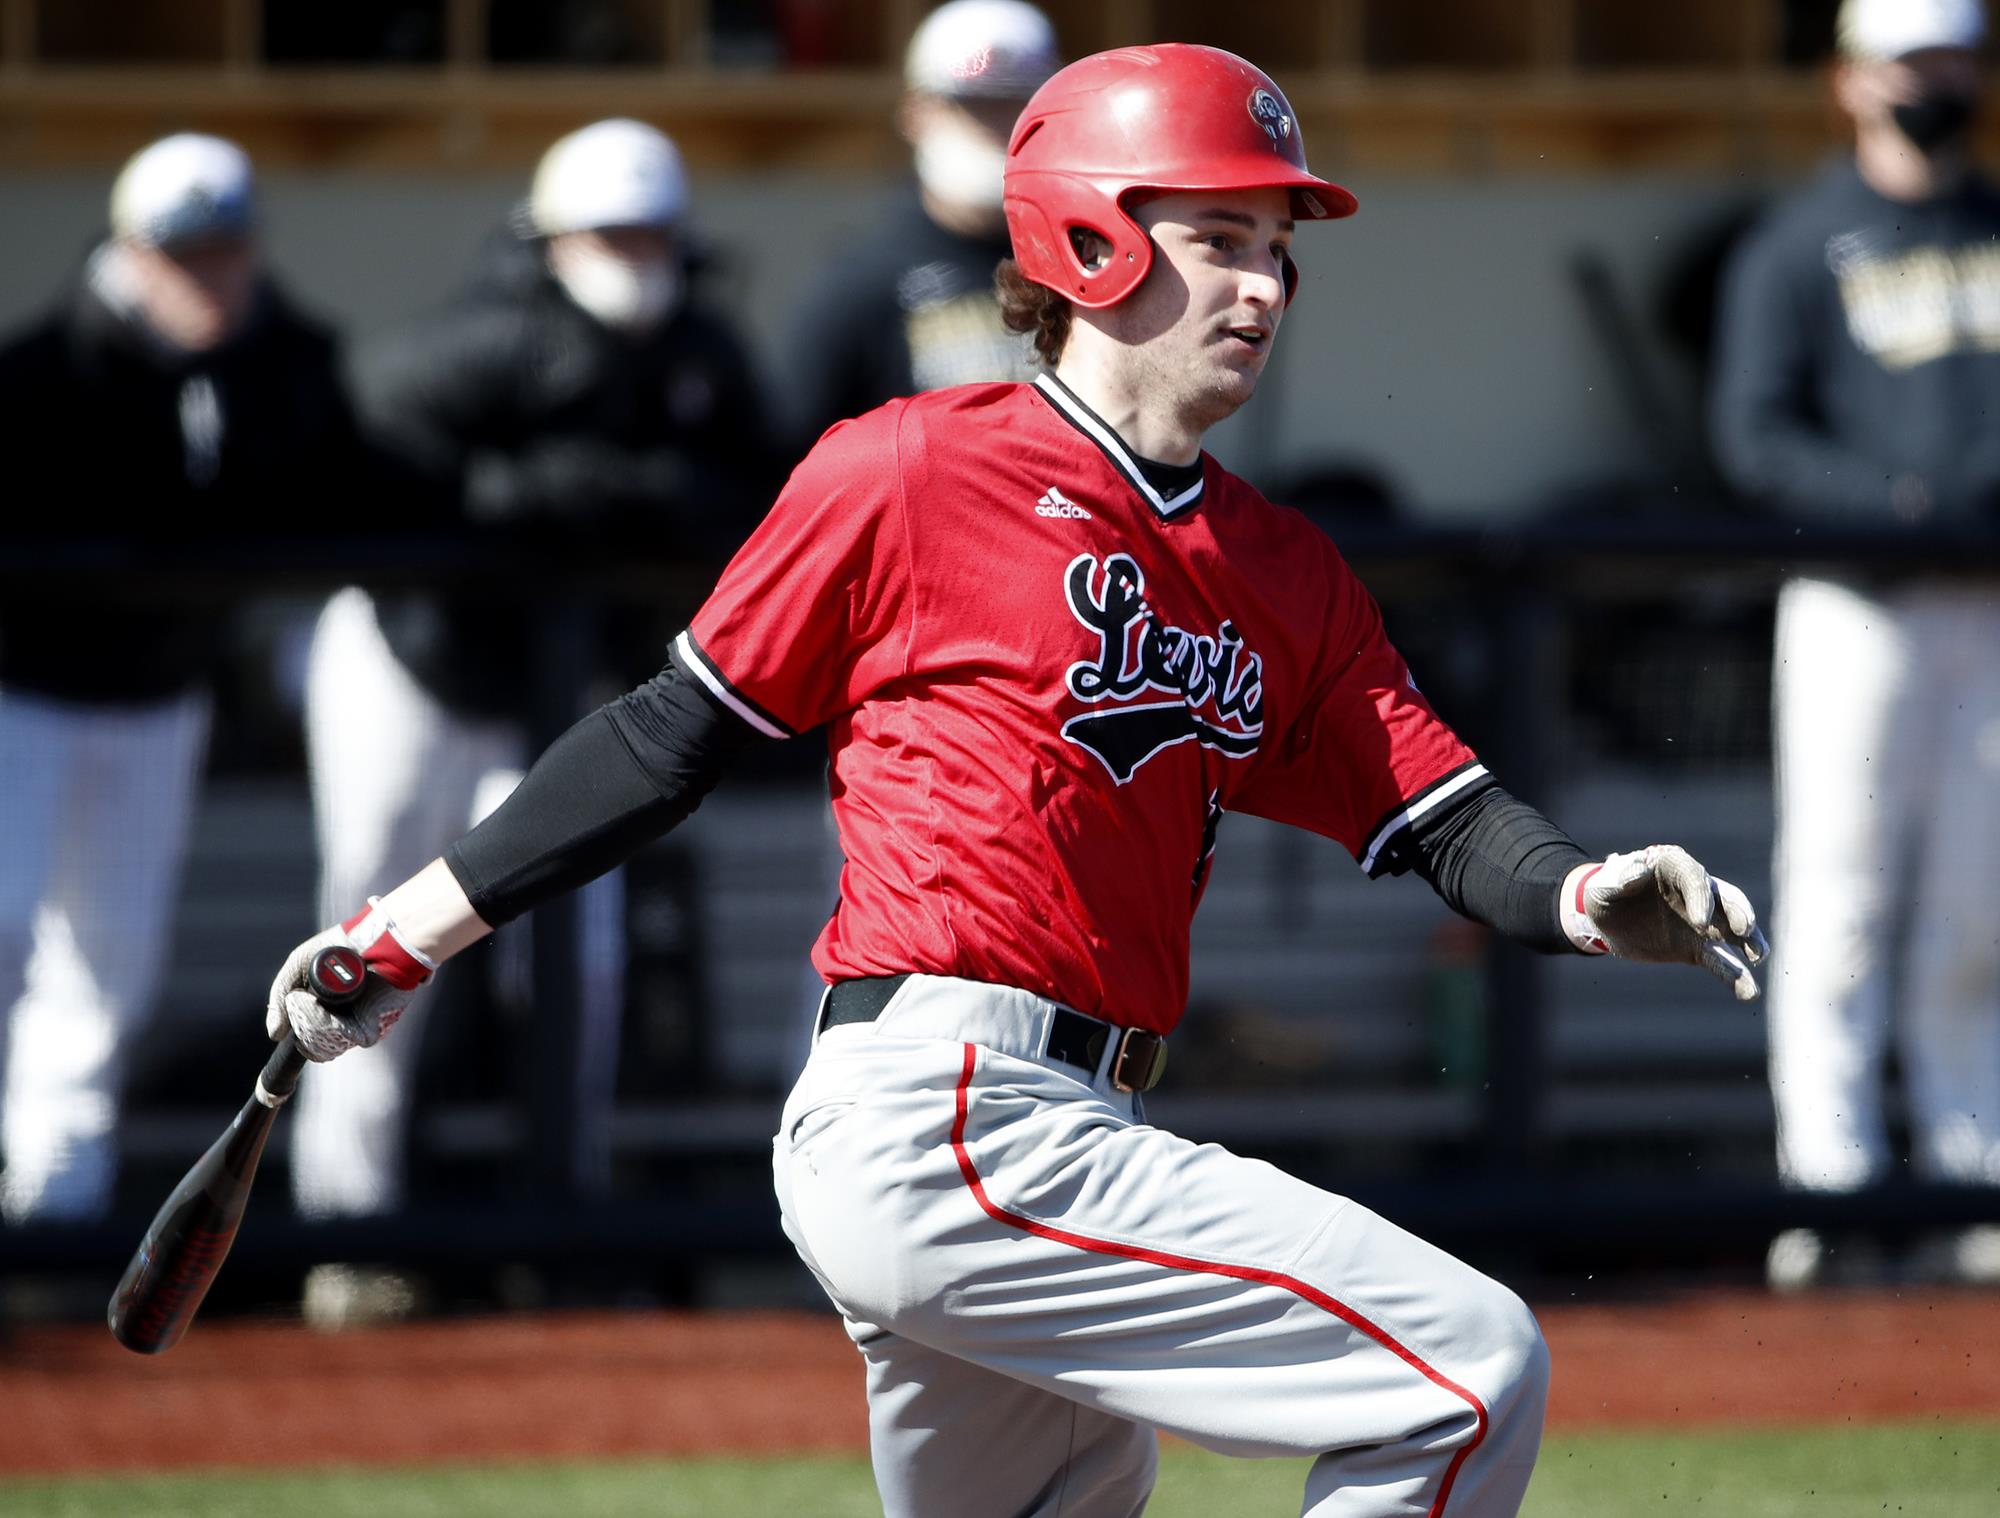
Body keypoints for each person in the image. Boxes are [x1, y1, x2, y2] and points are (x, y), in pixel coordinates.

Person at [269, 46, 1766, 1516]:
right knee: (1471, 1371)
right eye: (1224, 238)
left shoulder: (1283, 569)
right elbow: (665, 735)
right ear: (1093, 238)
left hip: (1063, 1128)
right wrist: (397, 934)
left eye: (1280, 249)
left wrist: (1578, 888)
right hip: (947, 1109)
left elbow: (1437, 811)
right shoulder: (908, 468)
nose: (1268, 286)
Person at [291, 118, 771, 1310]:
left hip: (556, 701)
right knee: (370, 935)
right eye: (608, 232)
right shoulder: (485, 337)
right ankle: (344, 1238)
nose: (632, 253)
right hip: (411, 664)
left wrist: (637, 498)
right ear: (549, 237)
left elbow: (765, 477)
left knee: (577, 959)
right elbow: (363, 439)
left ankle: (561, 1218)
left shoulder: (695, 350)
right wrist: (512, 495)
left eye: (651, 232)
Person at [0, 133, 358, 1222]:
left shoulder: (277, 356)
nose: (208, 273)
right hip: (26, 697)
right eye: (182, 252)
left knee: (111, 963)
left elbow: (327, 474)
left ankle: (56, 1209)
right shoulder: (46, 366)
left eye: (226, 250)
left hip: (161, 698)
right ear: (130, 249)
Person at [1710, 0, 2000, 1291]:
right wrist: (1886, 505)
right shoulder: (1793, 243)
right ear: (1850, 81)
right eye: (1906, 65)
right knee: (1834, 902)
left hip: (1987, 602)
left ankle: (1969, 1173)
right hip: (1849, 601)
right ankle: (1827, 1191)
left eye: (1950, 61)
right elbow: (1752, 433)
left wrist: (1967, 499)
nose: (1928, 85)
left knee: (1977, 910)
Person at [784, 0, 1059, 447]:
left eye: (1015, 105)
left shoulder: (1085, 263)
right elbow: (793, 457)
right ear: (916, 114)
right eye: (972, 106)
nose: (996, 128)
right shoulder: (862, 279)